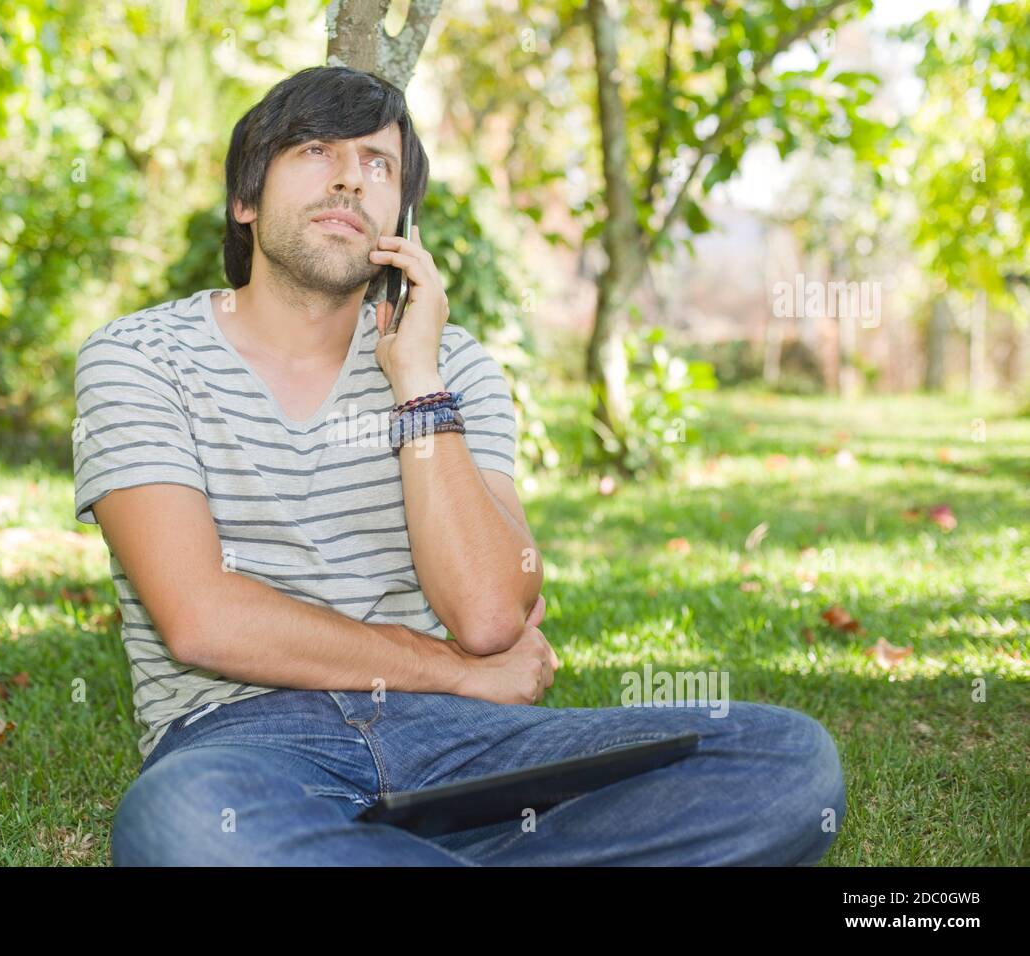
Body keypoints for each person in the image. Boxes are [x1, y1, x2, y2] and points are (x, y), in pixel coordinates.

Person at [72, 65, 846, 866]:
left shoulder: (455, 367)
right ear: (245, 199)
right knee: (187, 824)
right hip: (251, 745)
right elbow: (204, 619)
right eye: (314, 150)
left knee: (783, 761)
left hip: (459, 747)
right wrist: (453, 672)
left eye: (379, 163)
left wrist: (418, 384)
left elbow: (487, 616)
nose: (350, 176)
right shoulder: (138, 357)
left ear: (400, 217)